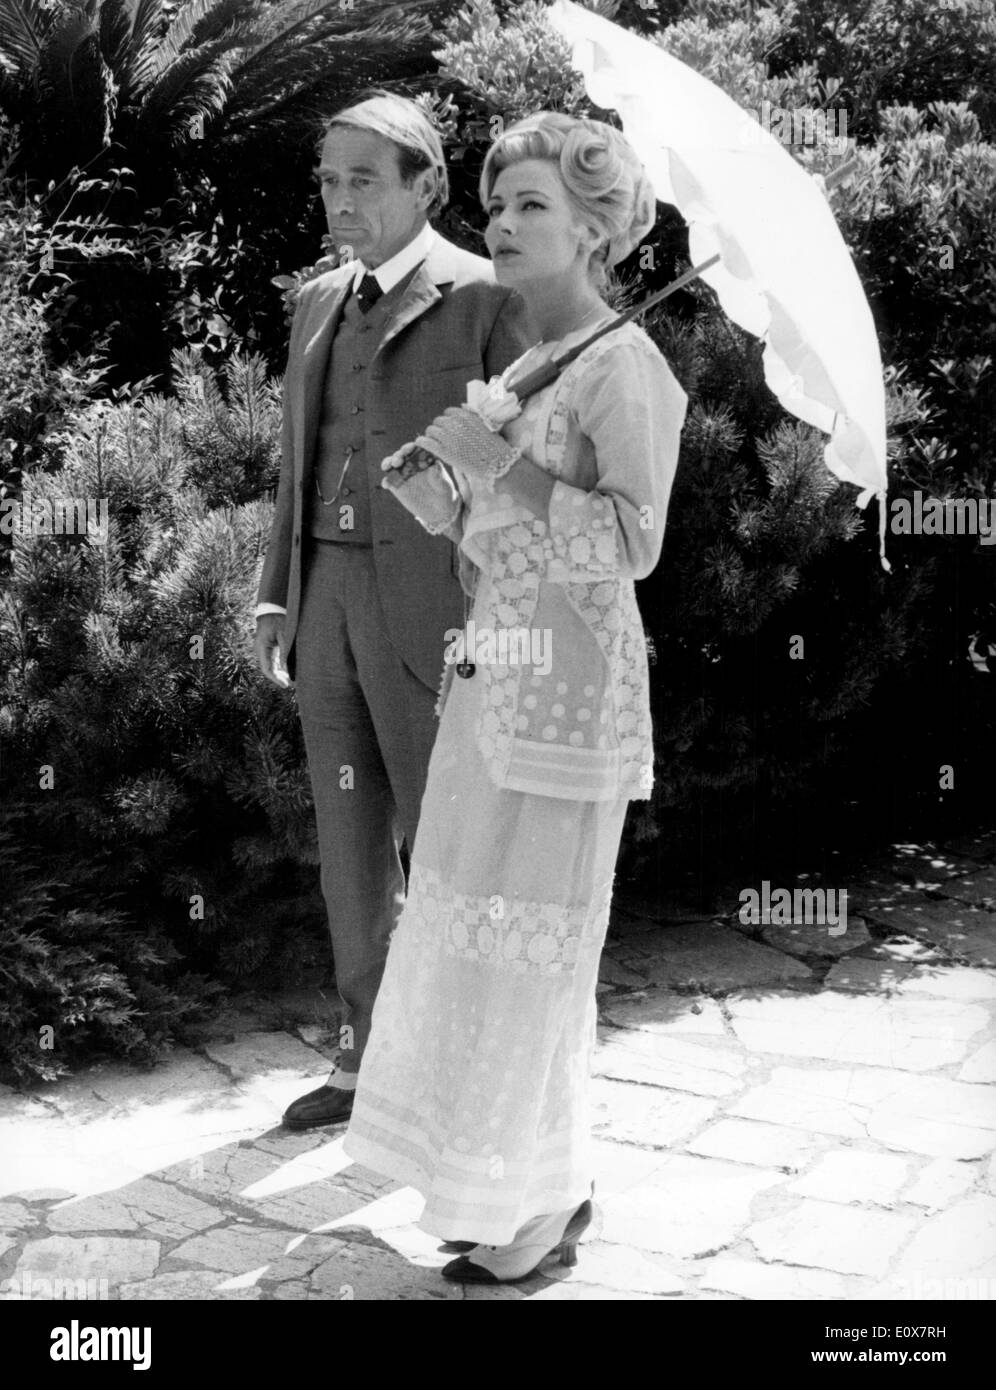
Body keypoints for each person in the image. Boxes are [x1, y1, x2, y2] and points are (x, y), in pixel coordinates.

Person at [341, 111, 689, 1282]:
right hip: (492, 683)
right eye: (498, 203)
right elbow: (500, 542)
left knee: (533, 959)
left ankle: (542, 1209)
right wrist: (445, 487)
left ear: (598, 232)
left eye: (535, 204)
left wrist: (512, 465)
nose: (504, 222)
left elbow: (634, 542)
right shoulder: (532, 364)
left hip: (574, 705)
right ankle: (500, 1191)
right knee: (474, 945)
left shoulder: (629, 367)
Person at [254, 92, 525, 1130]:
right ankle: (367, 1058)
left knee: (447, 839)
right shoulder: (319, 301)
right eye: (330, 180)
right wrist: (278, 590)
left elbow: (533, 470)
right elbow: (298, 462)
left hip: (438, 606)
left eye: (365, 179)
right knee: (348, 834)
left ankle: (458, 1073)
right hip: (324, 591)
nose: (340, 200)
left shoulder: (488, 298)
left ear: (428, 185)